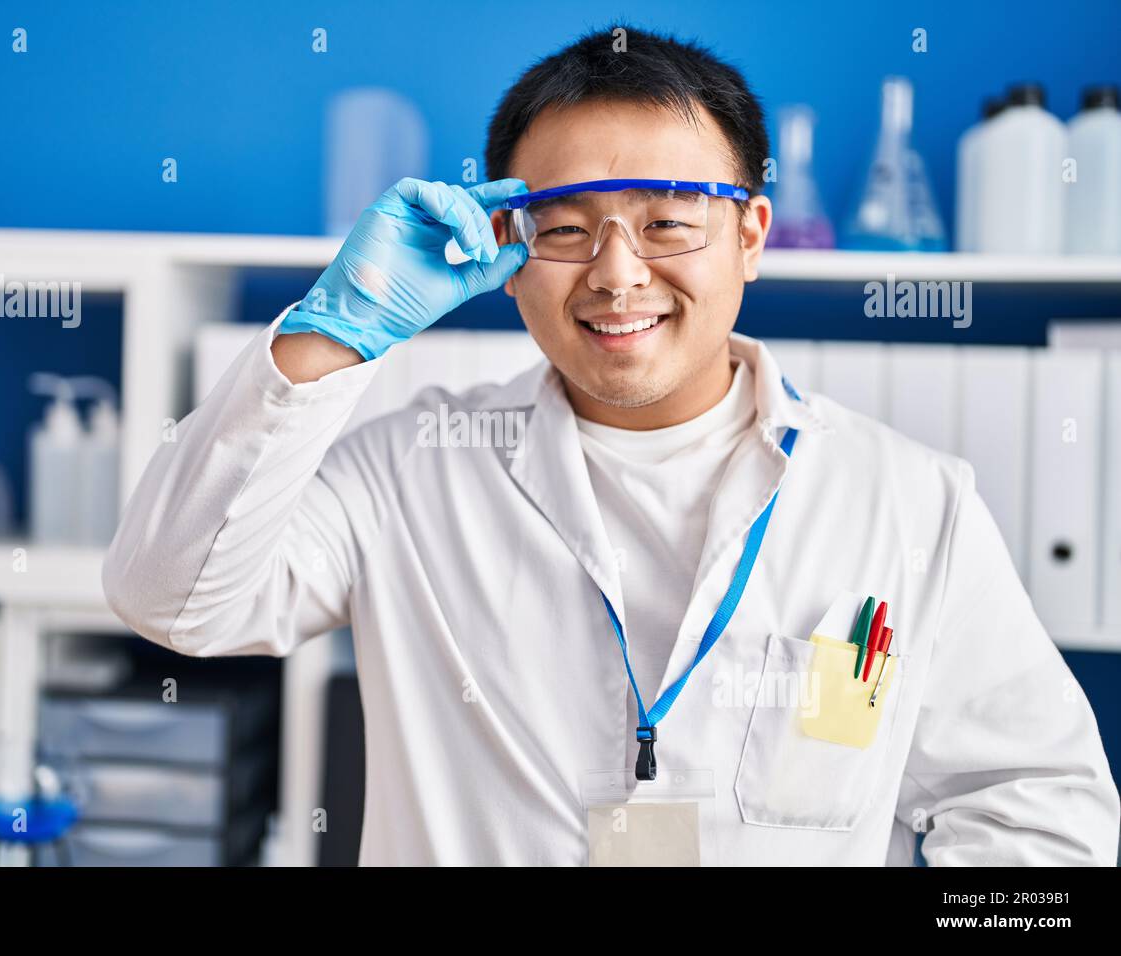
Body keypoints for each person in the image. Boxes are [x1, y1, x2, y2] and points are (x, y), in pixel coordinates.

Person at [102, 25, 1119, 865]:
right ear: (505, 251)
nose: (616, 273)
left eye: (670, 221)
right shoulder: (405, 472)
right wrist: (332, 332)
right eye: (563, 228)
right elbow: (169, 594)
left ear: (753, 234)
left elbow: (1043, 811)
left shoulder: (908, 502)